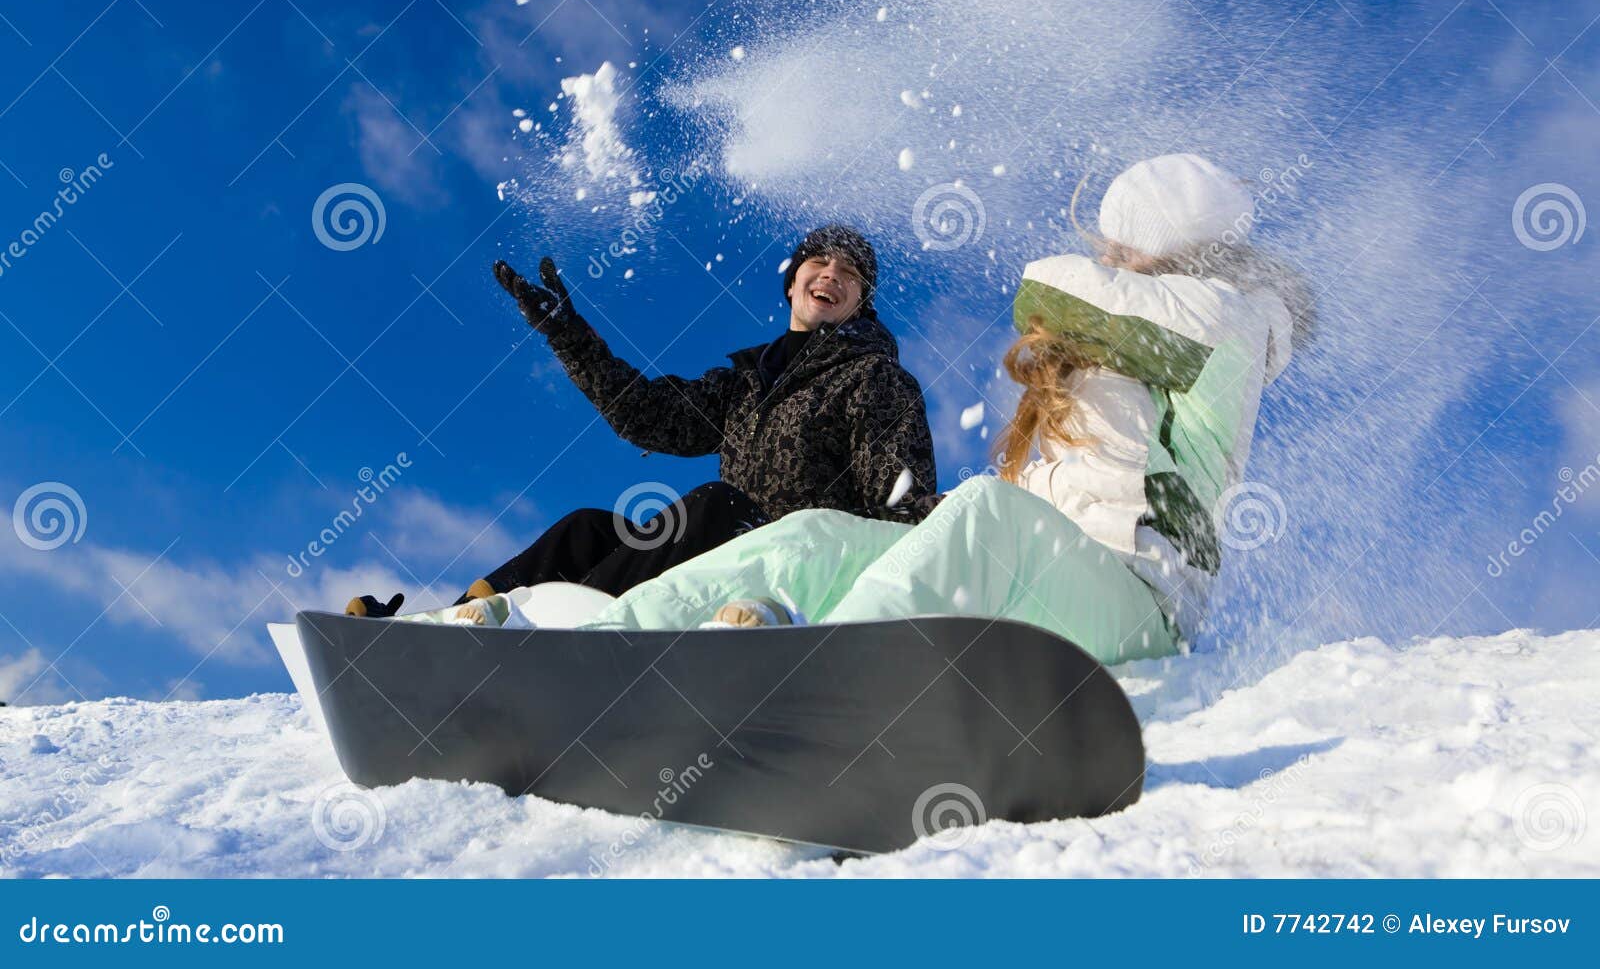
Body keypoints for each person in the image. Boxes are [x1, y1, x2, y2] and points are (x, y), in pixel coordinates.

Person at [576, 154, 1314, 663]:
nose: (1109, 262)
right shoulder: (1111, 353)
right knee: (812, 537)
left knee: (982, 511)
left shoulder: (1236, 331)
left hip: (1140, 606)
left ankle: (814, 685)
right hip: (1050, 595)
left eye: (1127, 249)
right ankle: (607, 648)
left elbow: (1049, 289)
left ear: (1185, 254)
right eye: (1111, 249)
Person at [344, 224, 938, 619]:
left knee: (717, 503)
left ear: (862, 300)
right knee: (585, 529)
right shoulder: (747, 383)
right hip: (724, 547)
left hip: (796, 567)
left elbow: (899, 494)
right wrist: (568, 336)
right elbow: (647, 415)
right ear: (792, 285)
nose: (831, 273)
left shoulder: (875, 379)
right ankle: (455, 621)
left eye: (850, 272)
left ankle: (572, 629)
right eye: (819, 260)